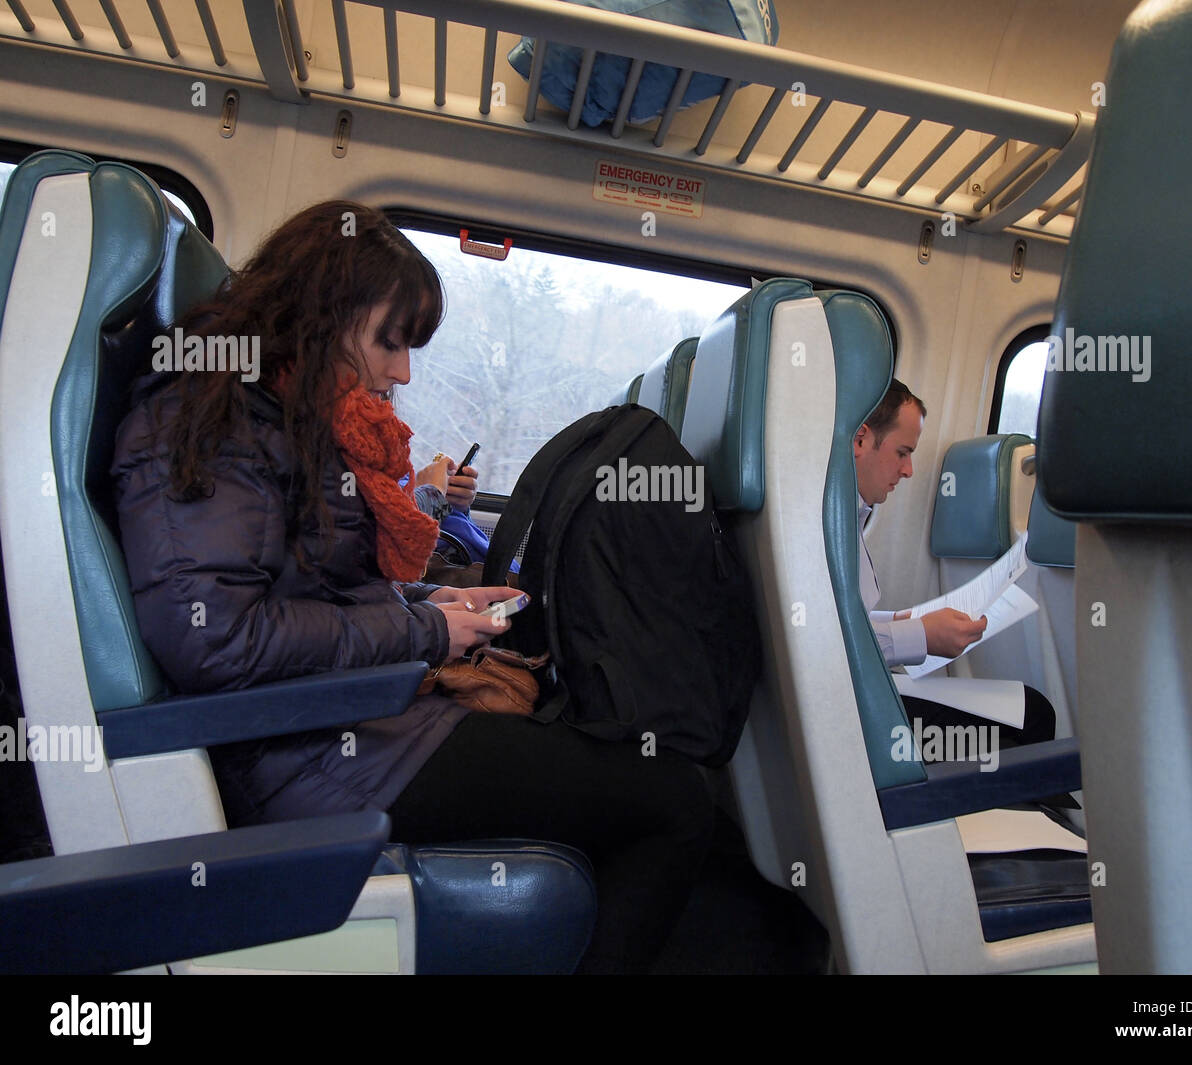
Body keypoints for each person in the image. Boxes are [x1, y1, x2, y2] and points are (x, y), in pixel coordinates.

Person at [112, 201, 712, 973]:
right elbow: (217, 637)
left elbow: (315, 591)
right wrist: (427, 633)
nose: (401, 371)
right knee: (676, 805)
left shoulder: (275, 411)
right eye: (390, 341)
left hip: (344, 724)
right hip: (309, 751)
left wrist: (426, 603)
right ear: (323, 312)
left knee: (611, 756)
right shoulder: (206, 417)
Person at [854, 378, 1055, 748]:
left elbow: (841, 622)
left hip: (856, 690)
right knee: (1034, 716)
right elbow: (830, 643)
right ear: (861, 439)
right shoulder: (823, 519)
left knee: (1030, 708)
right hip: (850, 705)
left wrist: (900, 621)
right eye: (902, 453)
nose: (909, 470)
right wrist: (923, 635)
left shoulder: (848, 512)